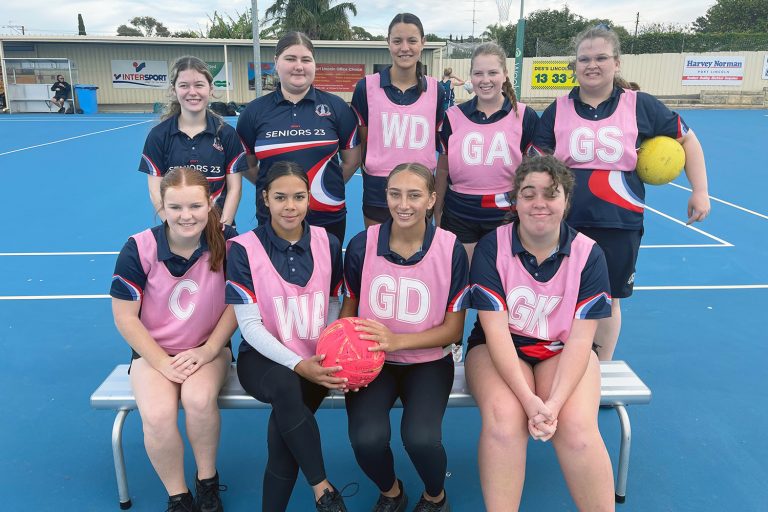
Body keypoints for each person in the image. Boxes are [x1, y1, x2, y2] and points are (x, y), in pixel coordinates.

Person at [532, 24, 710, 360]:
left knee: (607, 299)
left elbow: (687, 138)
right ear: (575, 65)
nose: (592, 64)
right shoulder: (558, 110)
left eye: (601, 57)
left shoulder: (640, 105)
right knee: (559, 294)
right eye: (584, 58)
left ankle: (600, 369)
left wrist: (699, 190)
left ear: (617, 62)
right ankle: (556, 363)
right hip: (564, 223)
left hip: (618, 222)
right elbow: (536, 165)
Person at [467, 155, 615, 511]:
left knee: (577, 428)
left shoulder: (588, 254)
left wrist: (553, 404)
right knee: (504, 421)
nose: (539, 203)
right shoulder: (493, 247)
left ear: (566, 201)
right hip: (498, 349)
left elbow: (582, 339)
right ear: (515, 200)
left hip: (563, 349)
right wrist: (530, 401)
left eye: (551, 194)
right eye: (529, 193)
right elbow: (497, 333)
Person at [341, 163, 470, 512]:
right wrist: (341, 357)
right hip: (372, 362)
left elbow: (454, 330)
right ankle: (391, 491)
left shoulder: (450, 249)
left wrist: (396, 341)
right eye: (395, 194)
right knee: (366, 440)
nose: (404, 204)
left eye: (414, 195)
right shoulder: (361, 245)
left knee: (422, 439)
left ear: (431, 199)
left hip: (427, 362)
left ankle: (434, 496)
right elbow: (348, 309)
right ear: (385, 196)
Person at [111, 167, 237, 512]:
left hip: (207, 350)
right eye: (176, 207)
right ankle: (178, 496)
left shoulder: (227, 241)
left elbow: (238, 304)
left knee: (198, 400)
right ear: (161, 207)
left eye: (195, 206)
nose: (186, 216)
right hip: (154, 353)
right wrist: (161, 361)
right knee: (156, 413)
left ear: (211, 203)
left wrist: (210, 349)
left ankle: (207, 482)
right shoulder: (138, 248)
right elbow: (124, 317)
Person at [225, 162, 349, 512]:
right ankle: (322, 488)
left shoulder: (329, 242)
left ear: (310, 200)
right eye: (280, 197)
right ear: (264, 198)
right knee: (284, 386)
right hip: (263, 360)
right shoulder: (243, 248)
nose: (290, 206)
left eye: (298, 197)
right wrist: (298, 364)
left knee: (283, 437)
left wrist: (323, 356)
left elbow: (333, 304)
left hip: (316, 359)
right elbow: (249, 327)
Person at [237, 32, 361, 244]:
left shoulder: (336, 107)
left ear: (314, 64)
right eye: (290, 58)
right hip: (274, 217)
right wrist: (274, 189)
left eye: (306, 59)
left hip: (327, 216)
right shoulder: (254, 112)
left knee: (328, 276)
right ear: (276, 62)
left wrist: (324, 188)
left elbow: (352, 160)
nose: (299, 66)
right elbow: (247, 165)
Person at [436, 42, 539, 263]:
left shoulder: (525, 116)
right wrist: (437, 211)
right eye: (478, 73)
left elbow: (534, 172)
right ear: (471, 77)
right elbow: (443, 168)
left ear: (505, 75)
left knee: (501, 280)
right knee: (463, 279)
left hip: (506, 214)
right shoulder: (453, 116)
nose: (485, 80)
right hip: (459, 212)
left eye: (493, 72)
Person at [351, 13, 447, 227]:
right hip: (378, 188)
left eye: (412, 40)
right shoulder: (365, 87)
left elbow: (440, 145)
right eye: (397, 41)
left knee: (418, 254)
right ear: (388, 43)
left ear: (423, 43)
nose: (405, 47)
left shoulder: (436, 90)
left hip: (420, 187)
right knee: (377, 250)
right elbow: (364, 140)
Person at [140, 56, 247, 227]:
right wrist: (173, 227)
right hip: (178, 231)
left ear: (210, 88)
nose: (192, 92)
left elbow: (235, 189)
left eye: (199, 85)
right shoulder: (158, 136)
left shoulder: (226, 134)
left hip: (218, 228)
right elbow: (155, 191)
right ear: (174, 90)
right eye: (184, 85)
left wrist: (222, 228)